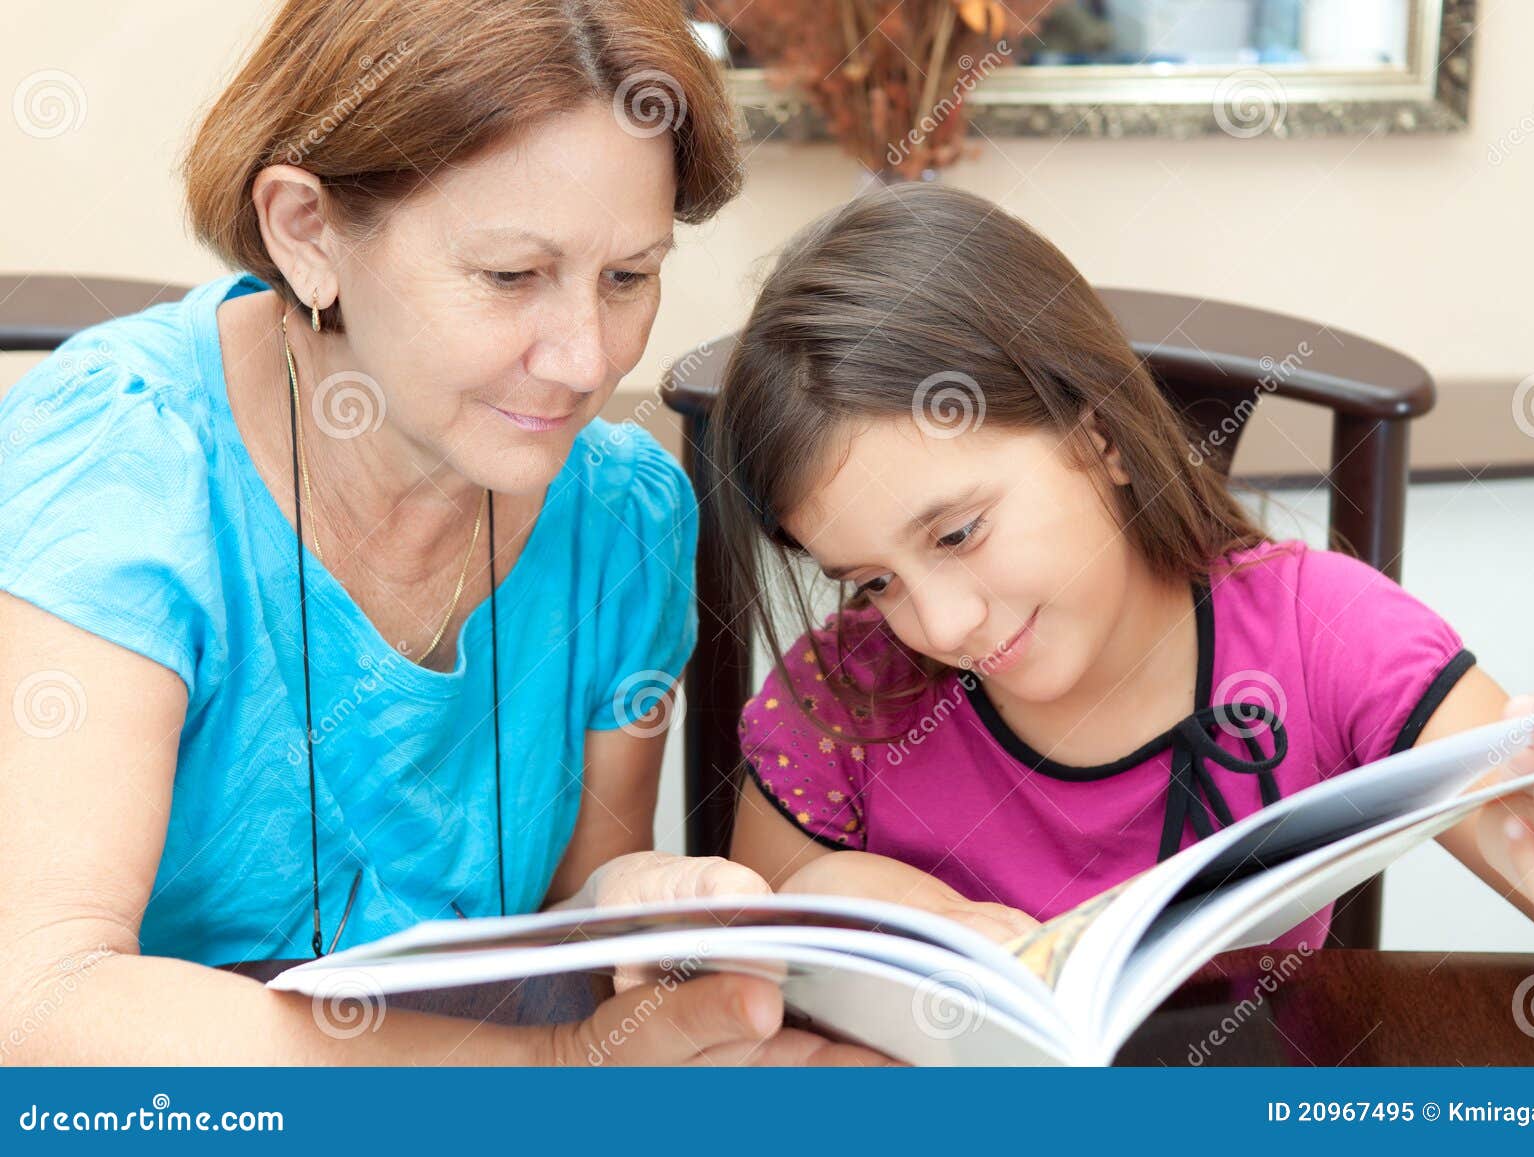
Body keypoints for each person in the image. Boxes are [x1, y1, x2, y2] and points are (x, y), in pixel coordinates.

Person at [0, 0, 883, 1066]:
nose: (586, 360)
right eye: (510, 275)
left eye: (628, 277)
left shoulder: (623, 514)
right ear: (306, 231)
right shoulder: (125, 457)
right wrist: (543, 1075)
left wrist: (631, 896)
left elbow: (562, 933)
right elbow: (38, 999)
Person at [712, 183, 1534, 967]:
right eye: (874, 580)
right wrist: (844, 892)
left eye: (958, 533)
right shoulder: (838, 701)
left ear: (1098, 433)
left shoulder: (1326, 634)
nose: (941, 626)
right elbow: (740, 1006)